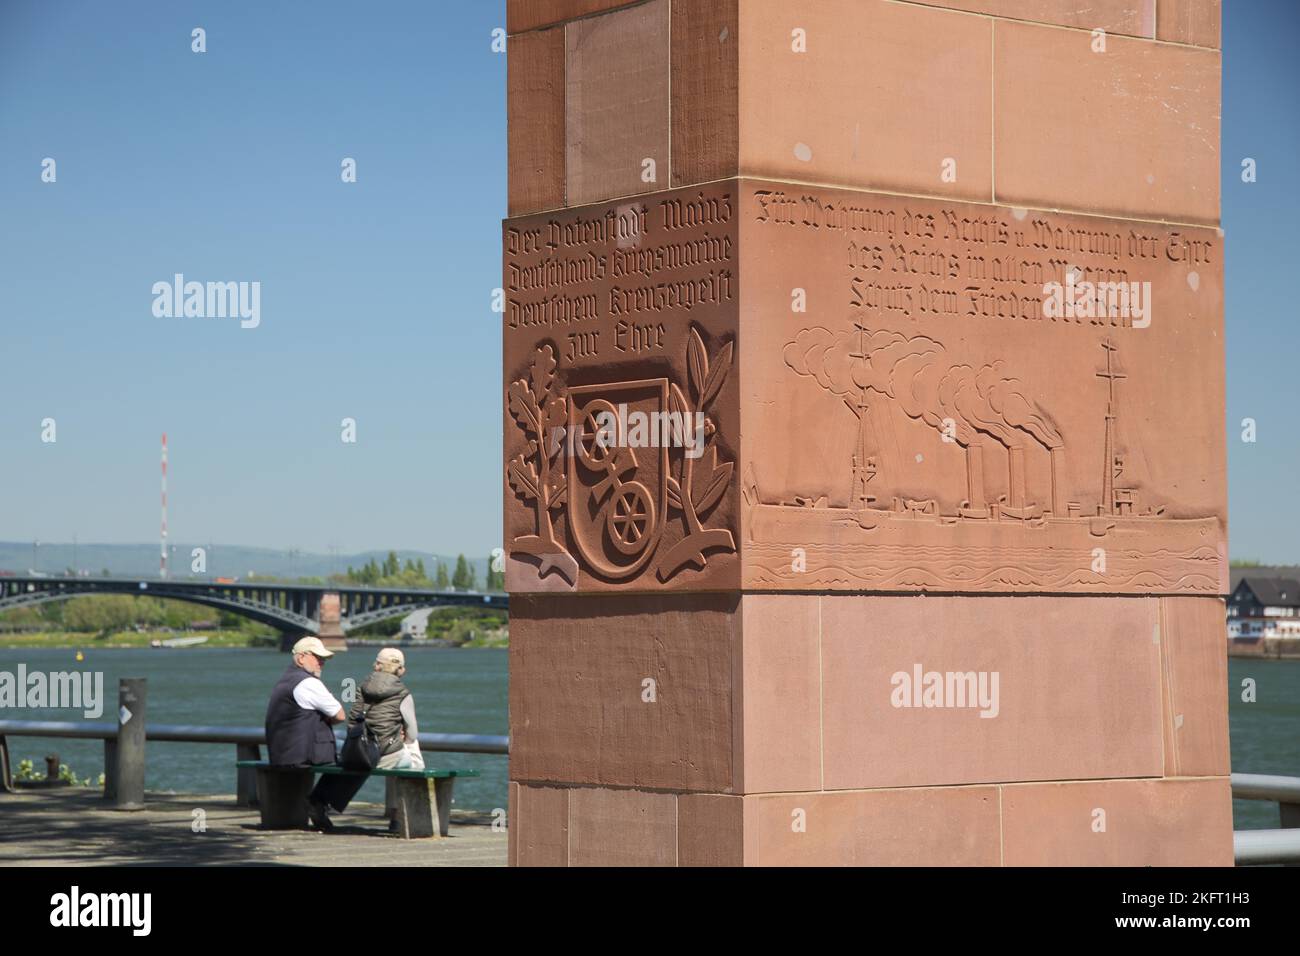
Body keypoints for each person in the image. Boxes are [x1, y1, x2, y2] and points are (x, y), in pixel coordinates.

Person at [263, 635, 361, 833]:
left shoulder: (284, 680)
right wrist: (324, 718)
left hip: (281, 752)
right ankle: (319, 802)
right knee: (358, 762)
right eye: (317, 657)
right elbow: (340, 715)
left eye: (323, 658)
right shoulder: (309, 683)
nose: (322, 662)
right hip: (302, 754)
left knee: (347, 757)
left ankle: (317, 802)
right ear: (301, 658)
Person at [350, 648, 422, 831]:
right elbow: (412, 734)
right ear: (401, 670)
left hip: (359, 754)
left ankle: (396, 814)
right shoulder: (403, 693)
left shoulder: (362, 687)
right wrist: (402, 736)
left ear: (376, 665)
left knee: (397, 753)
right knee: (410, 750)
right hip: (387, 756)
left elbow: (353, 720)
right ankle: (400, 816)